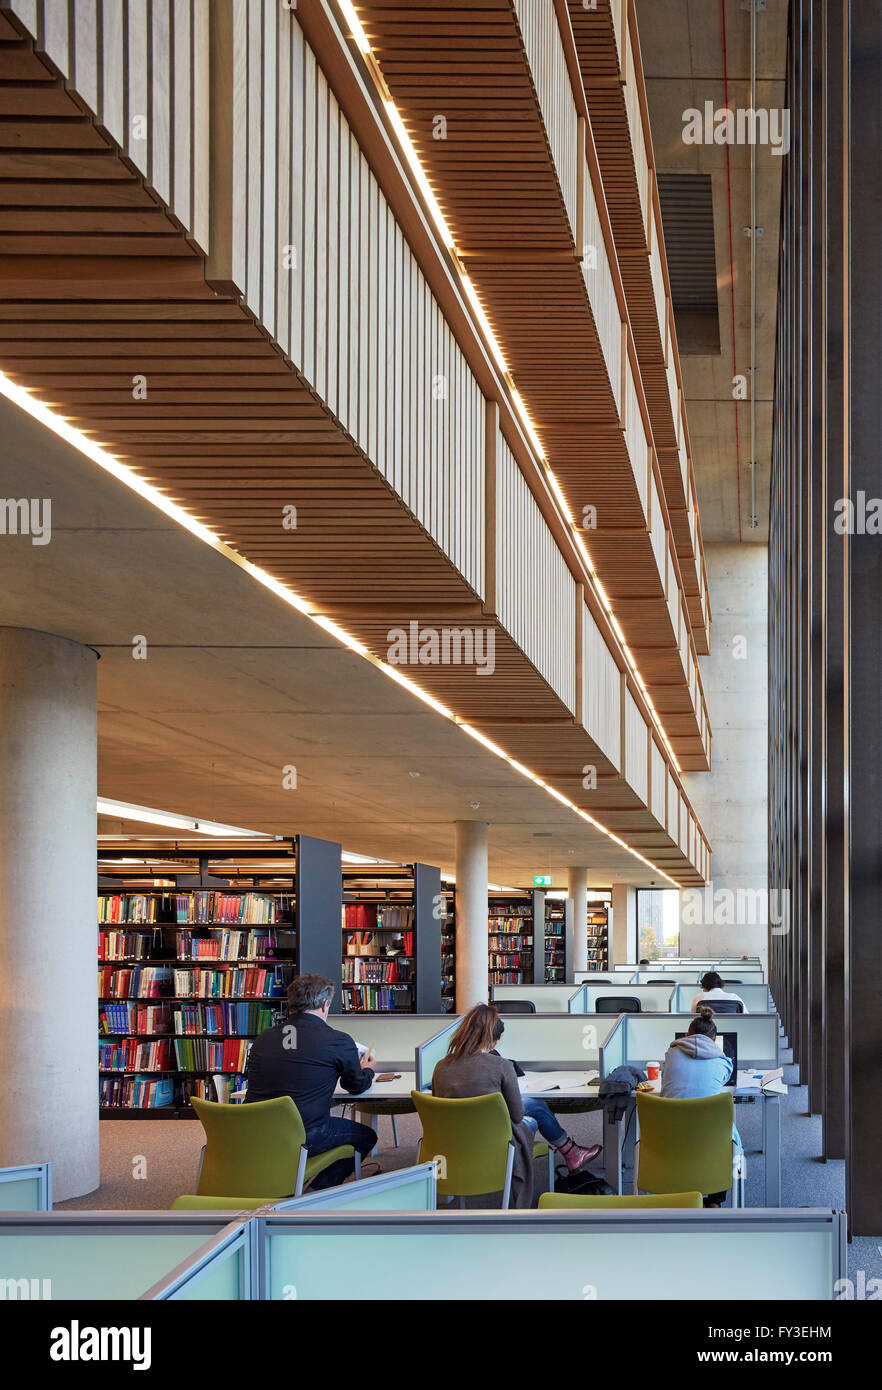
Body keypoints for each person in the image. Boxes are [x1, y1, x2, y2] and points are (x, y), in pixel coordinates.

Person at [431, 1003, 598, 1207]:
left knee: (534, 1104)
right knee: (533, 1110)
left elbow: (439, 1108)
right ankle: (570, 1151)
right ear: (492, 1042)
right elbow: (517, 1115)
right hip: (496, 1140)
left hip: (454, 1140)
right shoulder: (501, 1066)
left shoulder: (440, 1067)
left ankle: (571, 1151)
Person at [243, 973, 377, 1190]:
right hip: (306, 1135)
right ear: (325, 1005)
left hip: (256, 1132)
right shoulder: (339, 1040)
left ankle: (289, 1182)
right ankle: (316, 1192)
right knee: (366, 1136)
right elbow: (356, 1086)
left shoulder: (262, 1039)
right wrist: (368, 1070)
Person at [660, 1004, 742, 1207]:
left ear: (687, 1034)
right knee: (730, 1138)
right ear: (715, 1040)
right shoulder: (723, 1061)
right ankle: (715, 1201)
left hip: (669, 1135)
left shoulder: (670, 1055)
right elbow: (724, 1080)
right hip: (710, 1137)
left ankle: (678, 1194)